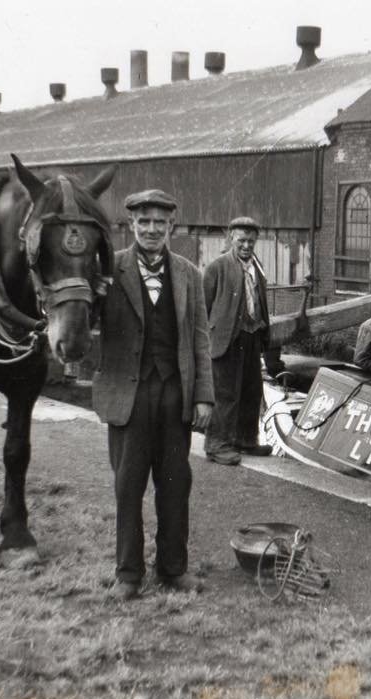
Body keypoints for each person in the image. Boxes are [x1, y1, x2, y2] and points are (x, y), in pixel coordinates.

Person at [92, 189, 214, 601]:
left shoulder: (188, 274)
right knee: (128, 487)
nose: (150, 229)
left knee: (176, 485)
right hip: (128, 398)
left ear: (171, 227)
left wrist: (204, 397)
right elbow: (83, 316)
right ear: (131, 225)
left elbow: (200, 339)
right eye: (143, 222)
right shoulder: (108, 270)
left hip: (174, 397)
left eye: (159, 223)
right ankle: (128, 574)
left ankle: (172, 569)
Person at [202, 216, 274, 465]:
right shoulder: (217, 267)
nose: (246, 246)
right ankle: (216, 444)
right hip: (227, 338)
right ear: (231, 238)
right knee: (226, 394)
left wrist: (264, 330)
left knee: (251, 390)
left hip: (252, 335)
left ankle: (245, 440)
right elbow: (203, 306)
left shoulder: (257, 266)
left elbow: (260, 299)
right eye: (241, 240)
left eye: (251, 241)